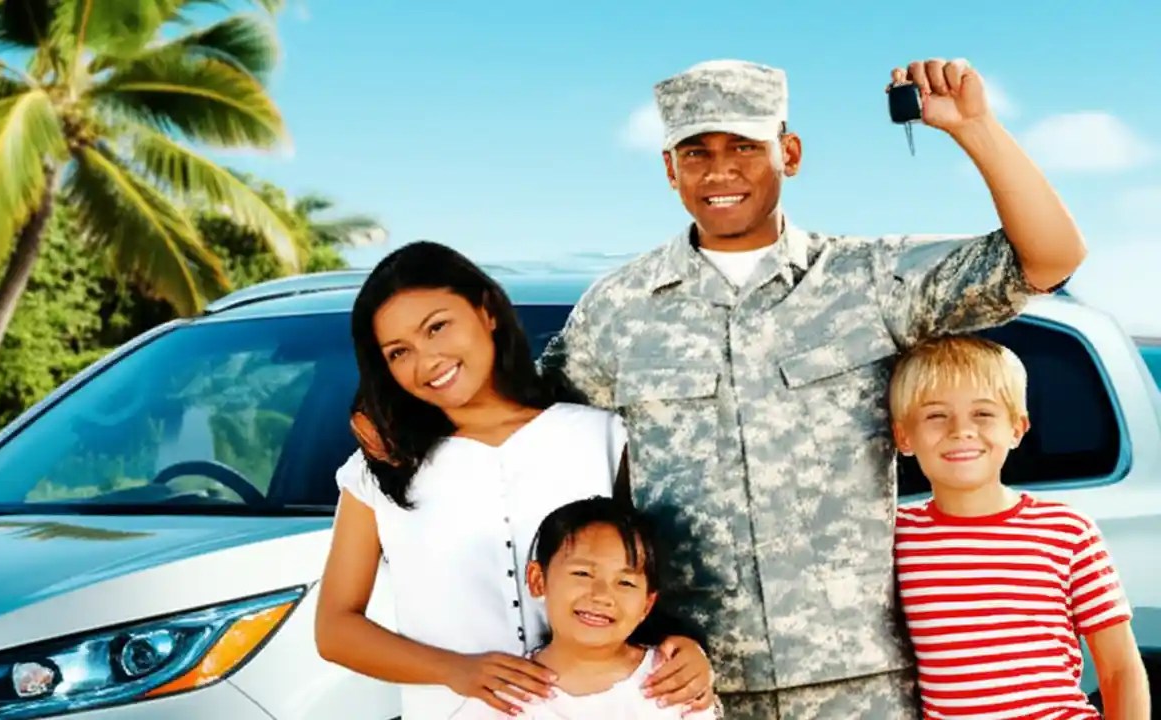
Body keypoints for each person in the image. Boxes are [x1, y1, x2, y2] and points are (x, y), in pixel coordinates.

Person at [532, 57, 1090, 718]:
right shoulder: (619, 309)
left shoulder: (870, 281)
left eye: (744, 146)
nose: (720, 170)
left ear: (789, 153)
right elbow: (524, 429)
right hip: (690, 685)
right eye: (696, 151)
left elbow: (1048, 259)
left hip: (859, 684)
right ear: (669, 168)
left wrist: (975, 128)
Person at [315, 241, 714, 720]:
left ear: (487, 312)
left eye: (438, 327)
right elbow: (335, 629)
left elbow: (647, 583)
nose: (427, 360)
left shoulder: (602, 436)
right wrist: (456, 670)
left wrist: (685, 646)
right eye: (399, 352)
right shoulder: (379, 469)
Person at [891, 336, 1149, 719]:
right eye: (935, 415)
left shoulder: (1067, 531)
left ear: (1016, 427)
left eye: (983, 413)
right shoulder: (894, 539)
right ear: (904, 436)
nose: (961, 430)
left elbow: (1120, 668)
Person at [451, 496, 721, 719]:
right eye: (582, 574)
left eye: (625, 582)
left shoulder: (672, 681)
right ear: (537, 580)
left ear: (646, 605)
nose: (602, 595)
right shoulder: (506, 695)